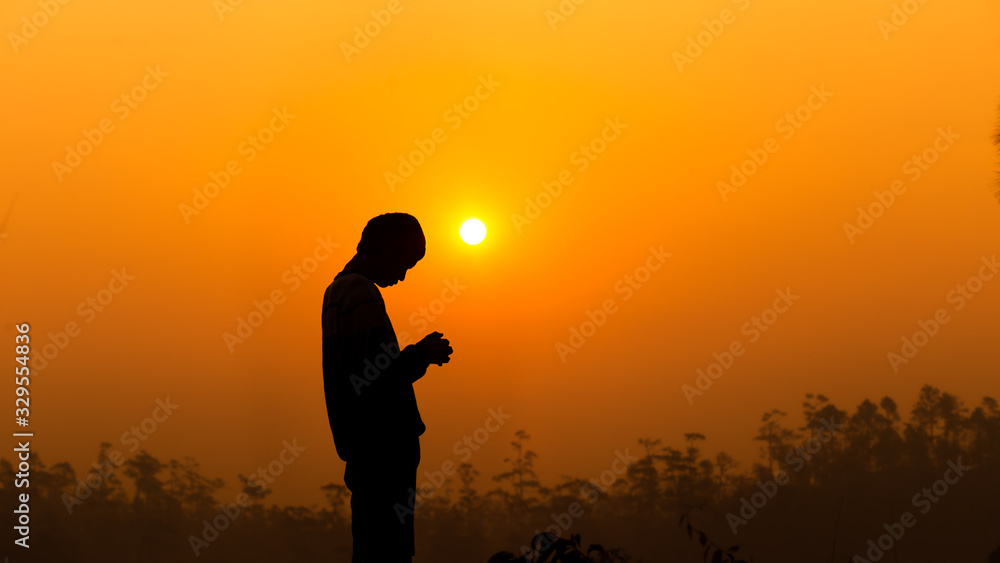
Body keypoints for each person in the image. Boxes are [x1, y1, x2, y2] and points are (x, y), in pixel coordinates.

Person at [321, 212, 453, 562]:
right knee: (388, 551)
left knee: (372, 547)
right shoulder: (361, 293)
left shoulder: (336, 291)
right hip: (383, 451)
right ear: (383, 249)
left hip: (364, 451)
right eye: (403, 262)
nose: (403, 275)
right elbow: (372, 381)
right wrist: (420, 355)